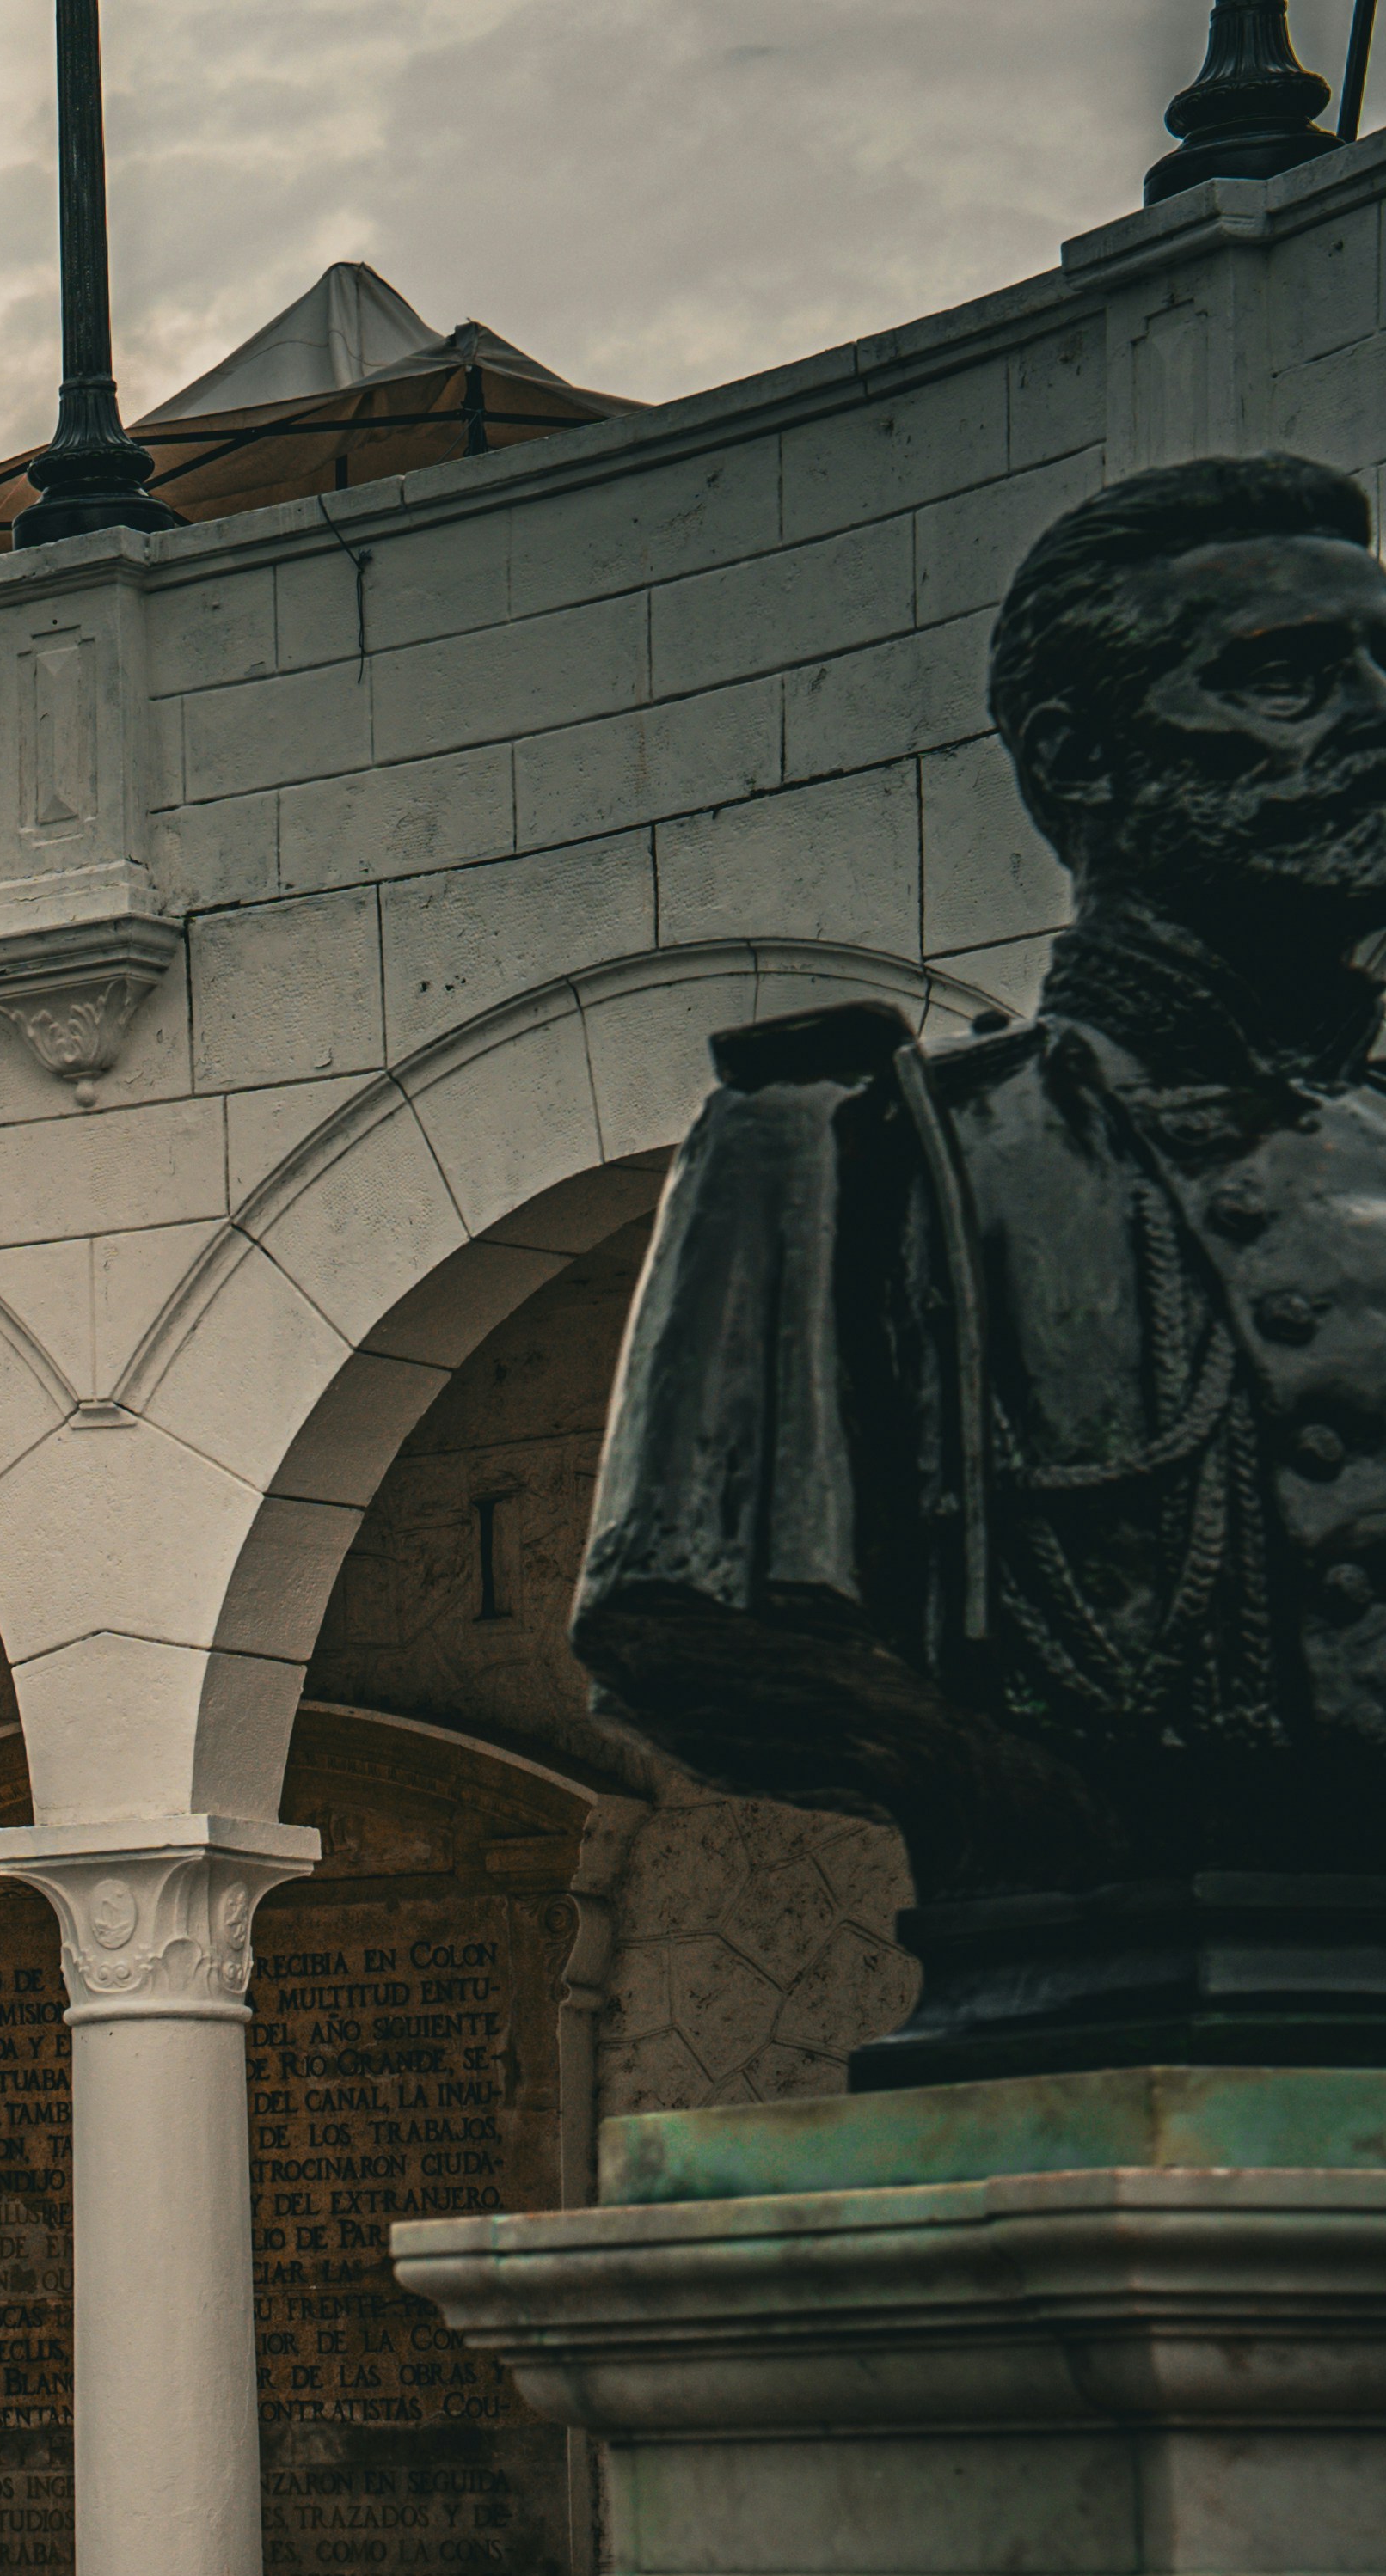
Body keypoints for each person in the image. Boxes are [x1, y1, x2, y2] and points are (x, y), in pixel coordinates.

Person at [582, 447, 1386, 2074]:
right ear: (1079, 758)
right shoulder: (850, 1151)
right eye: (1288, 679)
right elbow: (690, 1626)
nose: (1372, 720)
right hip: (1066, 1966)